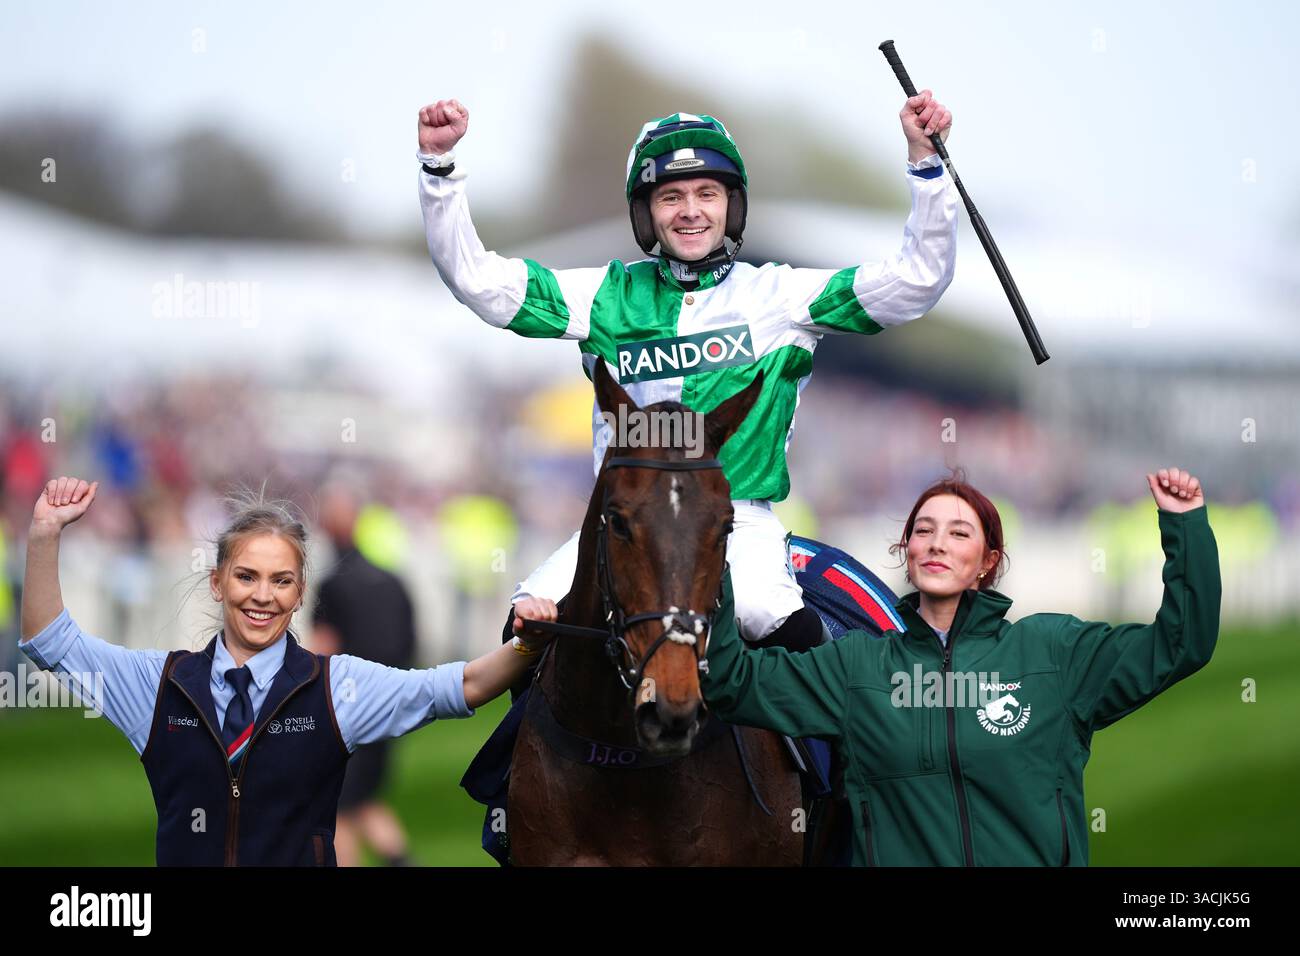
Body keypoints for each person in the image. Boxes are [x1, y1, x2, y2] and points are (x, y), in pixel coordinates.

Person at [416, 93, 957, 653]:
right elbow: (477, 281)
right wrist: (440, 170)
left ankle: (837, 734)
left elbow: (917, 281)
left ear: (732, 205)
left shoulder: (782, 295)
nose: (690, 210)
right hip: (622, 526)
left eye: (706, 194)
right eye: (670, 196)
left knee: (771, 617)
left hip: (737, 526)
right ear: (646, 213)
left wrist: (927, 166)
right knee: (524, 625)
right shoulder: (604, 295)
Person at [694, 466, 1221, 865]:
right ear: (907, 550)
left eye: (959, 533)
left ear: (988, 561)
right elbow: (732, 683)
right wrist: (711, 552)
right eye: (923, 531)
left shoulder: (1054, 652)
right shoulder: (855, 665)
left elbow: (1182, 643)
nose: (938, 543)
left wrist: (1185, 528)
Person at [17, 475, 551, 867]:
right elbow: (49, 642)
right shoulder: (158, 685)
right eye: (246, 576)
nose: (262, 596)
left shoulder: (337, 686)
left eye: (281, 580)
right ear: (217, 582)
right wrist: (44, 533)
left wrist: (529, 642)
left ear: (300, 594)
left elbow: (462, 685)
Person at [311, 480, 418, 867]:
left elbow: (322, 648)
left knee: (336, 807)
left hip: (347, 710)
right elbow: (411, 643)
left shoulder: (332, 584)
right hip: (389, 703)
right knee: (363, 800)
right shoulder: (393, 580)